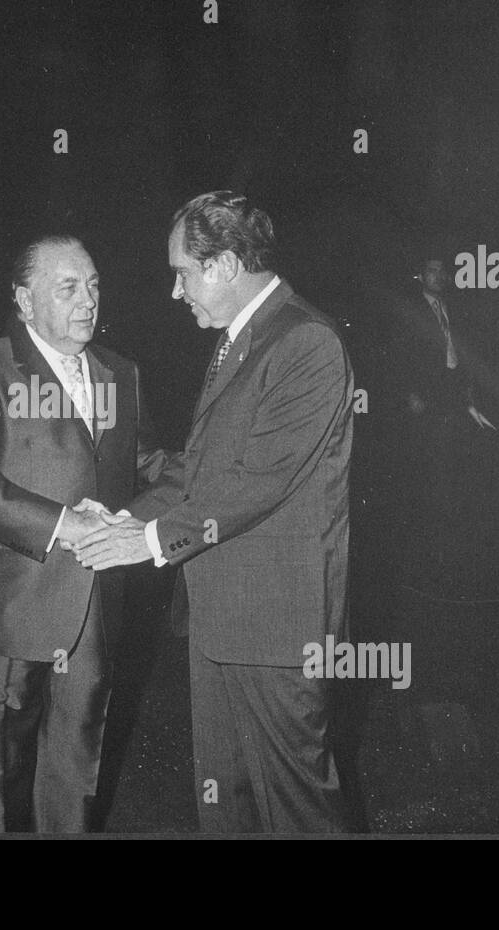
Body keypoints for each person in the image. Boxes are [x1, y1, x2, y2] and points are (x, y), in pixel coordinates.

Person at [74, 192, 354, 832]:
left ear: (225, 264)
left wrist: (147, 541)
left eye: (183, 272)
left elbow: (258, 482)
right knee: (229, 806)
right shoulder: (244, 338)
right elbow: (201, 472)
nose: (176, 292)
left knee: (297, 807)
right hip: (225, 618)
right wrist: (125, 520)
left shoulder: (304, 341)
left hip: (276, 627)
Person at [0, 235, 166, 832]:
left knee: (75, 769)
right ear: (24, 301)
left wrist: (222, 478)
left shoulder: (121, 374)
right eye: (68, 287)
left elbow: (150, 466)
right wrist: (65, 524)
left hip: (93, 606)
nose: (87, 300)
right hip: (7, 607)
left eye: (92, 286)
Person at [386, 254, 495, 592]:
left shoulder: (452, 311)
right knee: (426, 470)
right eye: (431, 270)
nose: (438, 276)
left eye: (441, 271)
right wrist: (411, 394)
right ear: (421, 276)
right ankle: (423, 552)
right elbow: (400, 355)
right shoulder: (412, 310)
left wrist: (469, 401)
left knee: (451, 469)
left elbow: (463, 358)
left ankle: (449, 548)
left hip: (452, 397)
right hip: (425, 399)